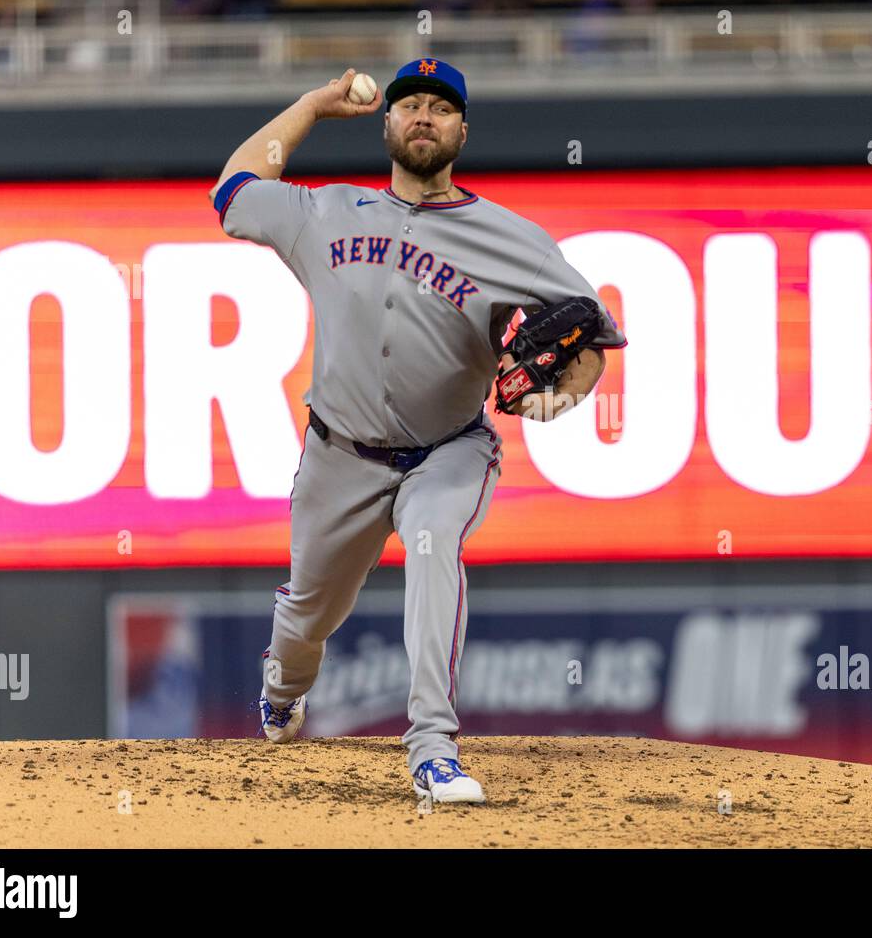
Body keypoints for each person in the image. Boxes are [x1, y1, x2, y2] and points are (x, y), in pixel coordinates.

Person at [209, 57, 626, 803]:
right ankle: (284, 685)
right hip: (339, 453)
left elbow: (592, 336)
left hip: (449, 451)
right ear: (386, 122)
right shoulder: (324, 213)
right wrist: (310, 105)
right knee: (308, 614)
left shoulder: (512, 238)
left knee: (433, 544)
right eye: (409, 105)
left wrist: (557, 399)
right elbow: (234, 189)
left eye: (440, 106)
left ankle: (433, 750)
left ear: (463, 128)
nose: (423, 116)